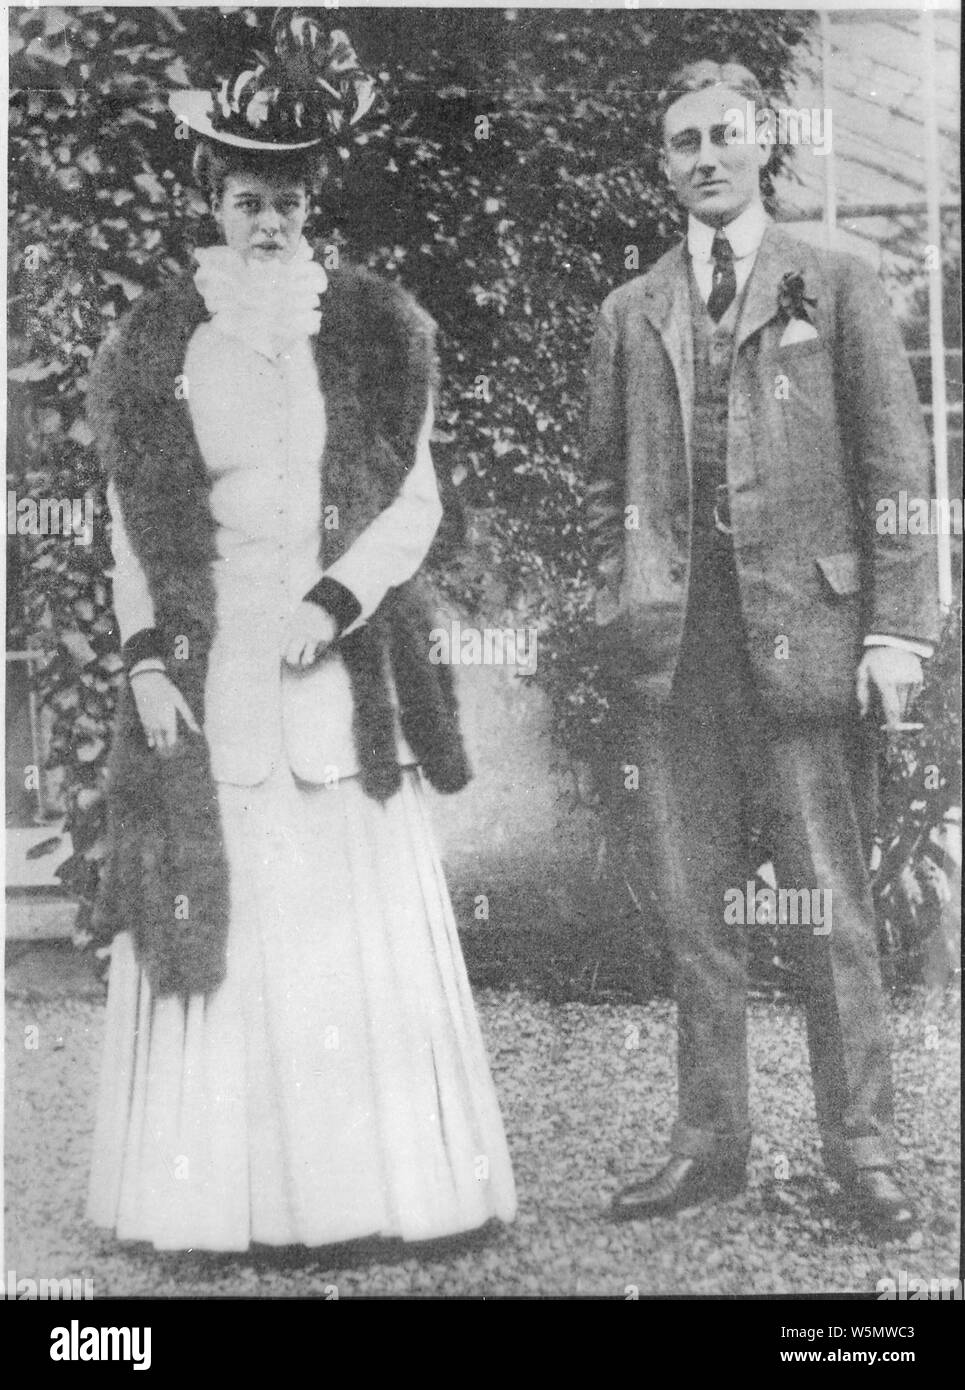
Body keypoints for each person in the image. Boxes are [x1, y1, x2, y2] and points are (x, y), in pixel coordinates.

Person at [86, 15, 516, 1252]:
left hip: (339, 678)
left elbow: (413, 500)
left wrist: (338, 598)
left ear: (311, 201)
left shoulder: (374, 326)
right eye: (242, 200)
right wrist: (146, 660)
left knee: (345, 926)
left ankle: (377, 1197)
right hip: (216, 677)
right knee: (230, 914)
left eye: (284, 200)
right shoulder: (161, 342)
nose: (265, 222)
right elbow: (132, 524)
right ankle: (221, 1206)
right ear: (212, 204)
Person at [584, 60, 938, 1237]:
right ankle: (708, 1142)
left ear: (761, 147)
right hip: (679, 656)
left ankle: (862, 1149)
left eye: (722, 137)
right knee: (696, 916)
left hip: (810, 644)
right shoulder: (630, 309)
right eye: (681, 141)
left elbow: (896, 472)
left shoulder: (833, 279)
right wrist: (620, 601)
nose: (702, 157)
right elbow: (604, 489)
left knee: (829, 912)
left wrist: (893, 629)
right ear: (664, 164)